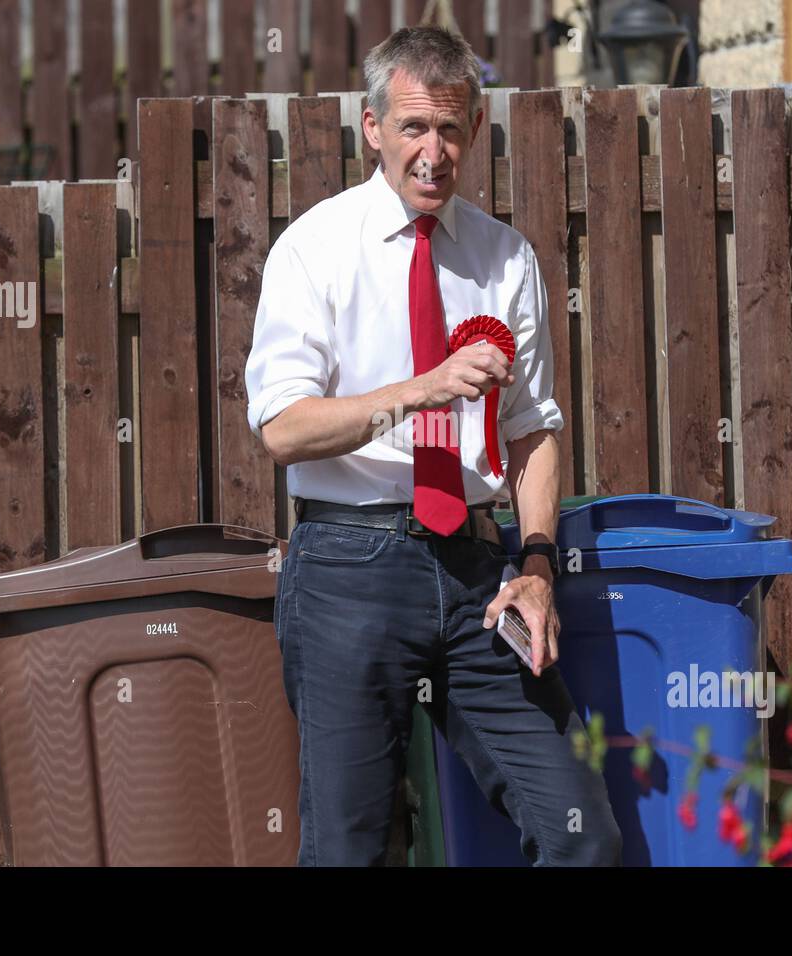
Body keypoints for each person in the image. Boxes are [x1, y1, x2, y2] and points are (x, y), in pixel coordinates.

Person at [245, 25, 622, 867]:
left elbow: (531, 430)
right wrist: (421, 388)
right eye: (414, 127)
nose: (433, 151)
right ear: (373, 127)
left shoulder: (504, 258)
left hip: (478, 575)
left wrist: (534, 564)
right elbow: (282, 427)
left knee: (583, 832)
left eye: (451, 129)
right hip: (348, 566)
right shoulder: (315, 248)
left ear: (475, 131)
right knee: (352, 849)